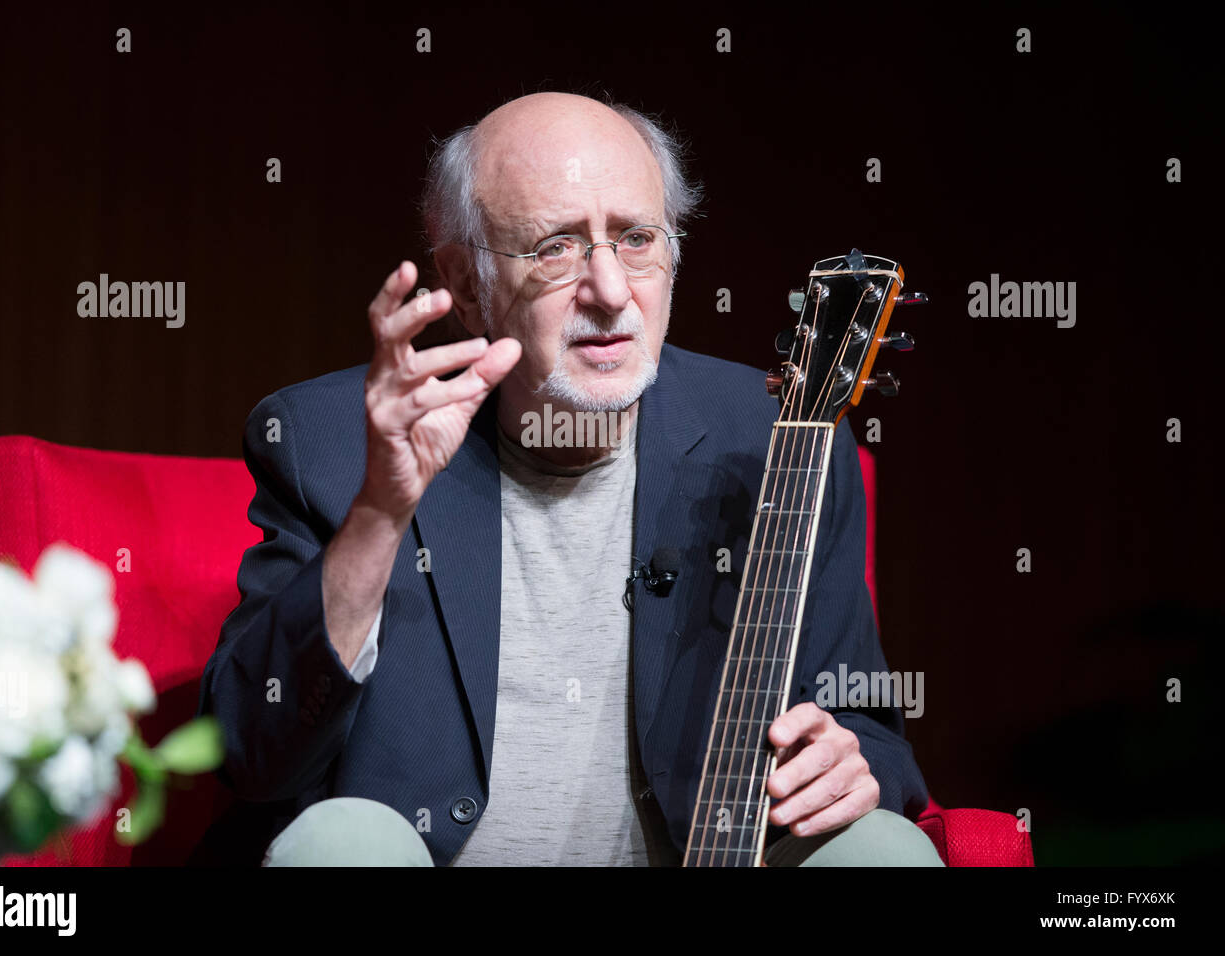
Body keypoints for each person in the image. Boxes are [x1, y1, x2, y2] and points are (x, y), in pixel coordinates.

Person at [195, 91, 941, 867]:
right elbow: (251, 754)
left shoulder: (779, 436)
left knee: (883, 850)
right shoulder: (333, 443)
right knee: (341, 843)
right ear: (467, 278)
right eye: (556, 248)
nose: (612, 291)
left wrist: (853, 770)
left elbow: (875, 735)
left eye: (637, 239)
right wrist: (380, 514)